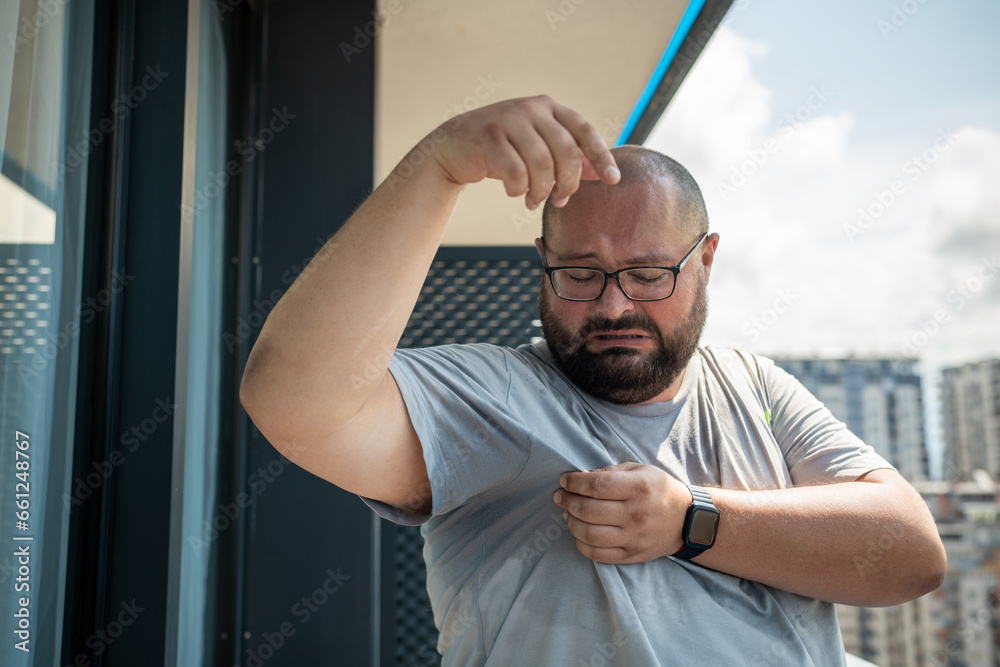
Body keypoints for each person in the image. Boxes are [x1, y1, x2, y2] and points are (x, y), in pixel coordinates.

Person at [239, 95, 946, 665]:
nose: (613, 304)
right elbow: (294, 401)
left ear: (706, 261)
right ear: (544, 262)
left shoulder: (751, 384)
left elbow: (910, 553)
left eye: (646, 272)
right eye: (580, 273)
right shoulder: (494, 397)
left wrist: (691, 519)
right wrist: (438, 167)